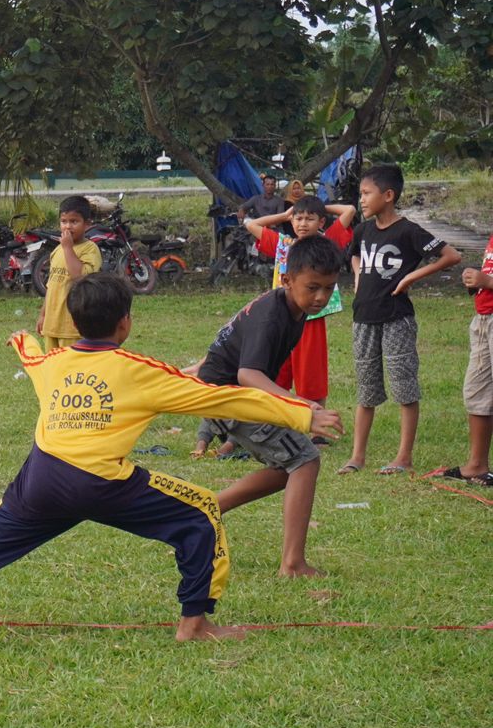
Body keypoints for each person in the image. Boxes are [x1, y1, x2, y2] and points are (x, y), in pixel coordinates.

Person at [0, 272, 342, 641]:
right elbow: (221, 396)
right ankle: (196, 625)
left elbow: (30, 353)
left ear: (73, 323)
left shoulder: (52, 362)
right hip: (103, 485)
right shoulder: (140, 370)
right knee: (200, 515)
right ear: (125, 324)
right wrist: (301, 415)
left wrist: (20, 337)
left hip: (41, 482)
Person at [196, 236, 347, 577]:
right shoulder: (272, 316)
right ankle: (292, 564)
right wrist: (302, 406)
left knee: (289, 466)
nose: (321, 297)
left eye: (328, 288)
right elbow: (248, 374)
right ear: (287, 279)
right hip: (226, 397)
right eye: (313, 287)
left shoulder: (292, 308)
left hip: (226, 394)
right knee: (305, 460)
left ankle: (208, 509)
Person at [340, 163, 462, 475]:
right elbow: (354, 254)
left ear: (389, 195)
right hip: (363, 319)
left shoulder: (408, 231)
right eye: (361, 194)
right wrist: (357, 274)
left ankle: (403, 457)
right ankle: (357, 457)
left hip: (396, 319)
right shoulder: (363, 230)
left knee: (404, 387)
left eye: (367, 193)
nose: (362, 200)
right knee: (366, 389)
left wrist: (410, 278)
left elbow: (451, 256)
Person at [243, 195, 357, 405]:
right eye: (298, 218)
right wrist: (285, 214)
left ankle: (316, 429)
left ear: (321, 222)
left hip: (311, 317)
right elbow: (250, 223)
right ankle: (277, 419)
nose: (303, 223)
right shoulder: (283, 244)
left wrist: (321, 207)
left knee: (311, 371)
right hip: (281, 316)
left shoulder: (327, 241)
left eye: (310, 218)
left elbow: (349, 209)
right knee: (278, 369)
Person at [443, 231, 493, 484]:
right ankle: (477, 464)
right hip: (483, 321)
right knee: (477, 392)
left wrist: (487, 281)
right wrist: (476, 280)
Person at [37, 195, 103, 350]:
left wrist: (68, 248)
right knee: (54, 368)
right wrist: (43, 315)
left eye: (74, 221)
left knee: (71, 369)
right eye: (64, 221)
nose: (67, 227)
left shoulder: (90, 249)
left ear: (87, 224)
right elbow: (51, 286)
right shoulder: (57, 250)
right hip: (52, 324)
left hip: (73, 326)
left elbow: (80, 277)